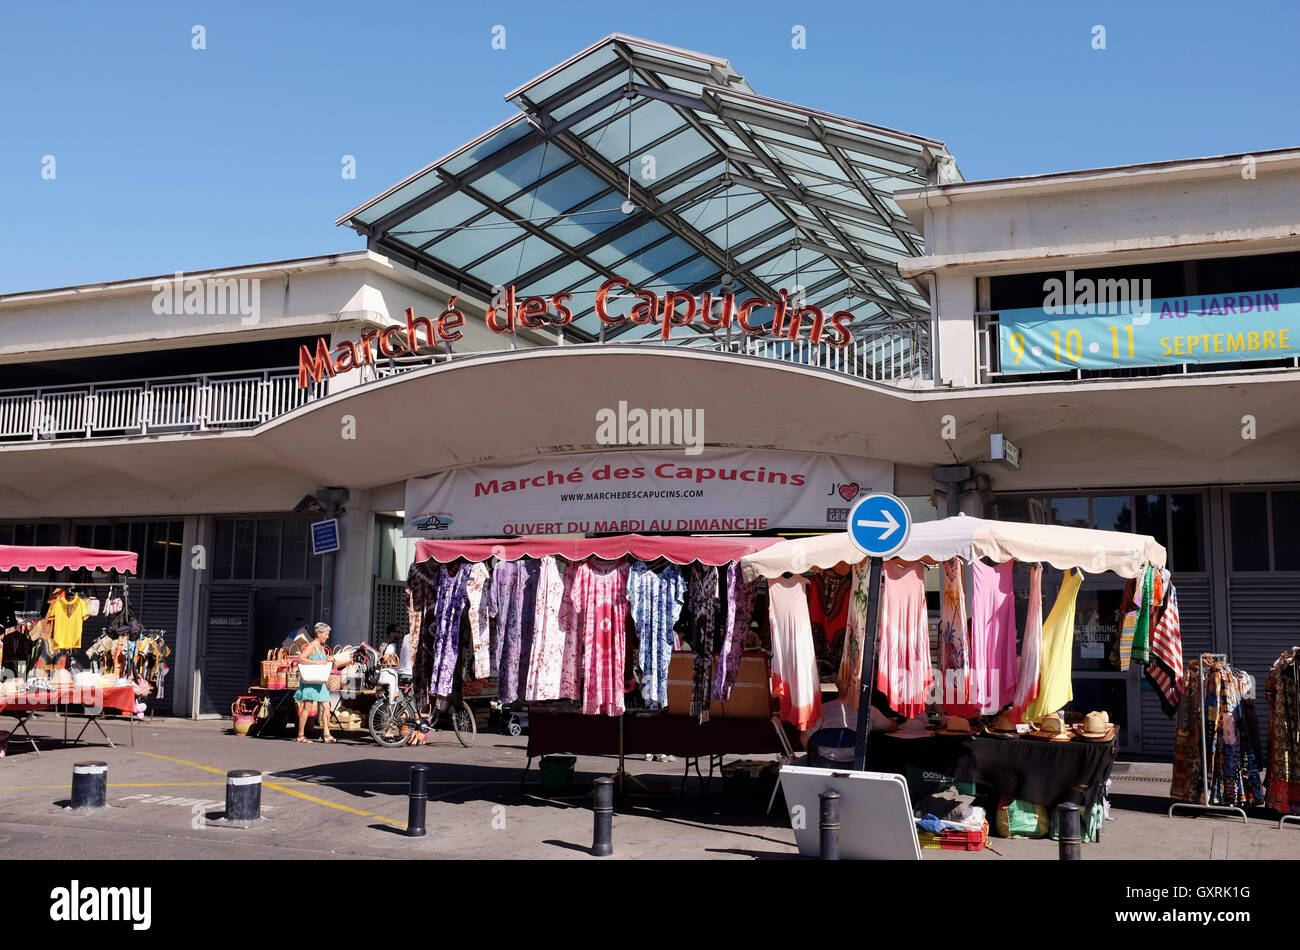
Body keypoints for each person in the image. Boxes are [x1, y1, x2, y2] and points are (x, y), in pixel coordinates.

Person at [800, 694, 899, 766]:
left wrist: (811, 754)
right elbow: (891, 727)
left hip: (822, 765)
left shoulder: (822, 710)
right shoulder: (870, 710)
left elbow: (804, 737)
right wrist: (892, 720)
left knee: (791, 768)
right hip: (856, 766)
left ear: (836, 682)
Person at [295, 622, 351, 743]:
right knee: (307, 708)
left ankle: (326, 734)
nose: (327, 636)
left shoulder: (321, 647)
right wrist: (318, 663)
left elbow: (321, 662)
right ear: (319, 633)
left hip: (320, 682)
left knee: (327, 707)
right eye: (326, 634)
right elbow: (301, 659)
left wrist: (328, 659)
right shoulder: (312, 646)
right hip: (310, 682)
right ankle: (300, 735)